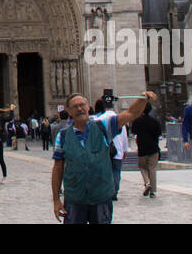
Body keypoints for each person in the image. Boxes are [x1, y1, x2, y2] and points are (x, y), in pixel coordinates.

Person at [50, 91, 154, 224]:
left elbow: (131, 114)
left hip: (100, 197)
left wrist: (143, 99)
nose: (80, 109)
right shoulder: (63, 136)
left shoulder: (103, 126)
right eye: (75, 106)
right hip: (75, 198)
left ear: (88, 107)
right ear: (69, 111)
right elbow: (57, 168)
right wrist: (56, 200)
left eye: (82, 105)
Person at [130, 101, 161, 198]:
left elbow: (133, 134)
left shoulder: (137, 121)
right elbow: (158, 135)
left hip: (142, 148)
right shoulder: (155, 121)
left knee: (142, 167)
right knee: (152, 169)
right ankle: (153, 191)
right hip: (154, 148)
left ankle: (147, 183)